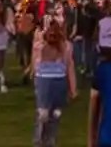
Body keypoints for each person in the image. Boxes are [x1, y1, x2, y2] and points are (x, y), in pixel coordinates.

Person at [29, 19, 77, 147]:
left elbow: (69, 67)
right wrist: (33, 74)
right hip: (43, 82)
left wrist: (73, 88)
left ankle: (50, 142)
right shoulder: (40, 45)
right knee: (43, 114)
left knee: (55, 114)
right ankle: (38, 142)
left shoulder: (66, 47)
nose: (53, 34)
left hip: (59, 84)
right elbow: (35, 59)